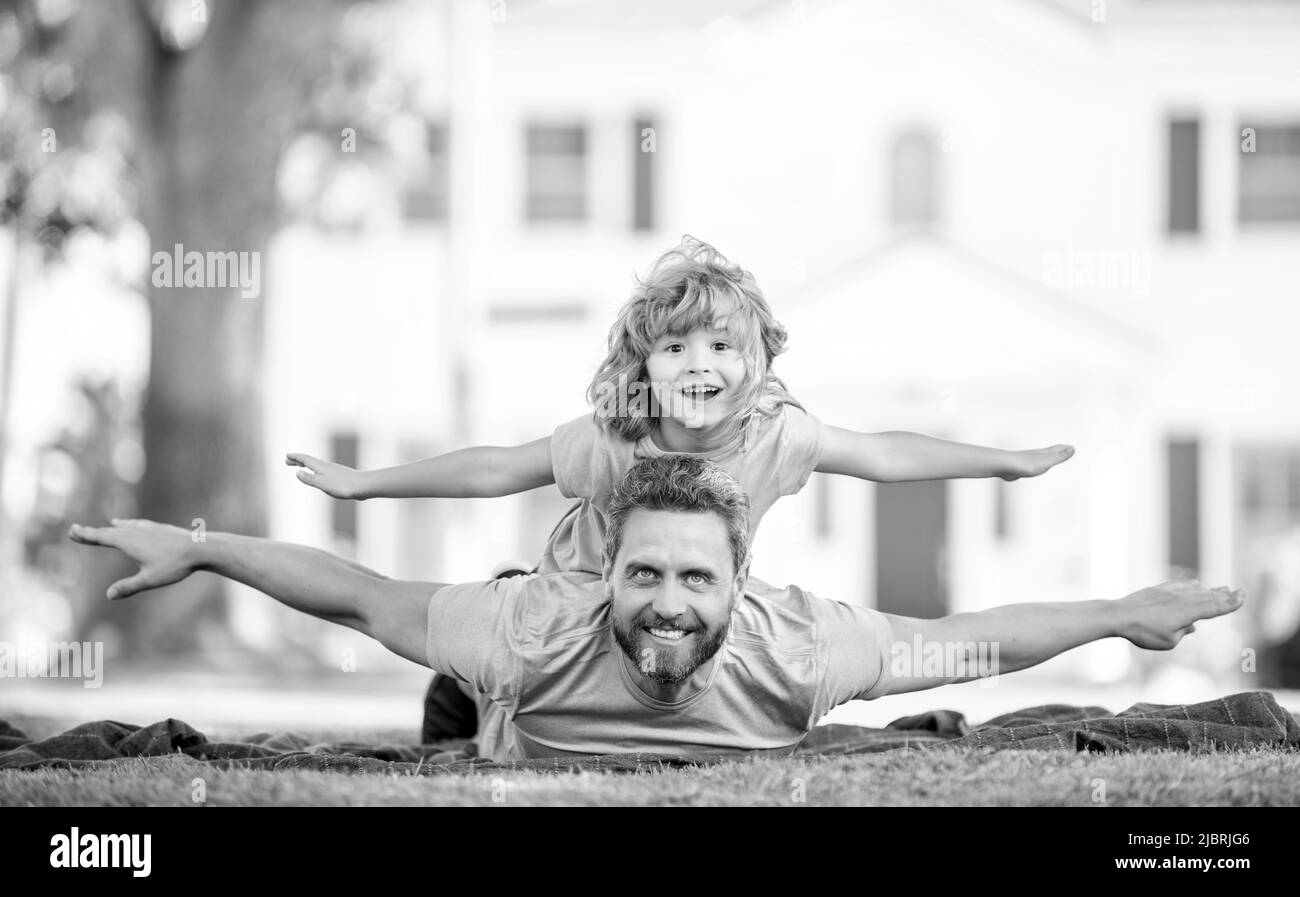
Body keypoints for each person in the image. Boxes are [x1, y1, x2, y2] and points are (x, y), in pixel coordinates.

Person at [69, 455, 1244, 762]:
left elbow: (970, 645)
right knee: (452, 707)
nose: (669, 602)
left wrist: (1116, 613)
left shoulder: (801, 643)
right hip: (502, 689)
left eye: (694, 578)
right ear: (606, 576)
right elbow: (362, 597)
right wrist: (204, 551)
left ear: (743, 585)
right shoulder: (534, 623)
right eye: (645, 573)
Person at [284, 235, 1075, 578]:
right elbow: (497, 467)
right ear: (644, 367)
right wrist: (365, 482)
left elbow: (887, 453)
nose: (700, 364)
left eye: (722, 347)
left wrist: (1002, 464)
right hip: (582, 597)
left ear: (756, 363)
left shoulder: (777, 437)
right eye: (675, 348)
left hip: (691, 605)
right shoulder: (615, 440)